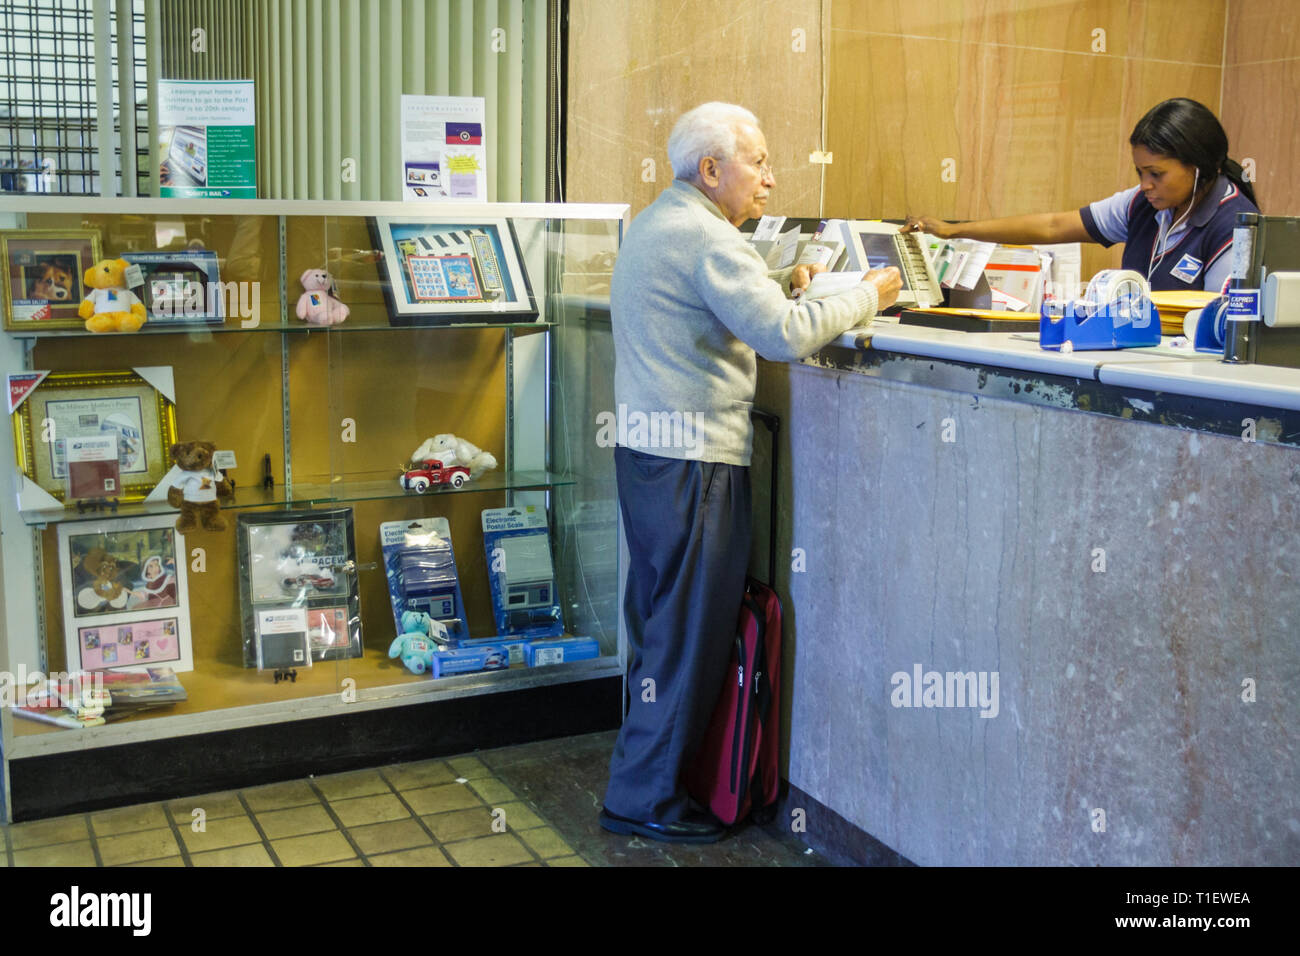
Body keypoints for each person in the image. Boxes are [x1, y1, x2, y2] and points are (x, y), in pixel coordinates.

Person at [600, 102, 901, 844]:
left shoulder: (661, 223)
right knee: (690, 632)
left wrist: (781, 272)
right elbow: (782, 335)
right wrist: (871, 294)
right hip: (696, 462)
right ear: (711, 170)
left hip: (649, 454)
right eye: (758, 161)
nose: (771, 177)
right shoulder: (708, 239)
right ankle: (644, 800)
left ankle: (640, 783)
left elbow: (723, 294)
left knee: (662, 627)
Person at [902, 98, 1259, 295]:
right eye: (1140, 173)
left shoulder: (1234, 227)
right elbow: (1054, 226)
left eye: (1157, 174)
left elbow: (1219, 324)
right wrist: (954, 230)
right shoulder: (1143, 204)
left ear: (1197, 167)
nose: (1146, 185)